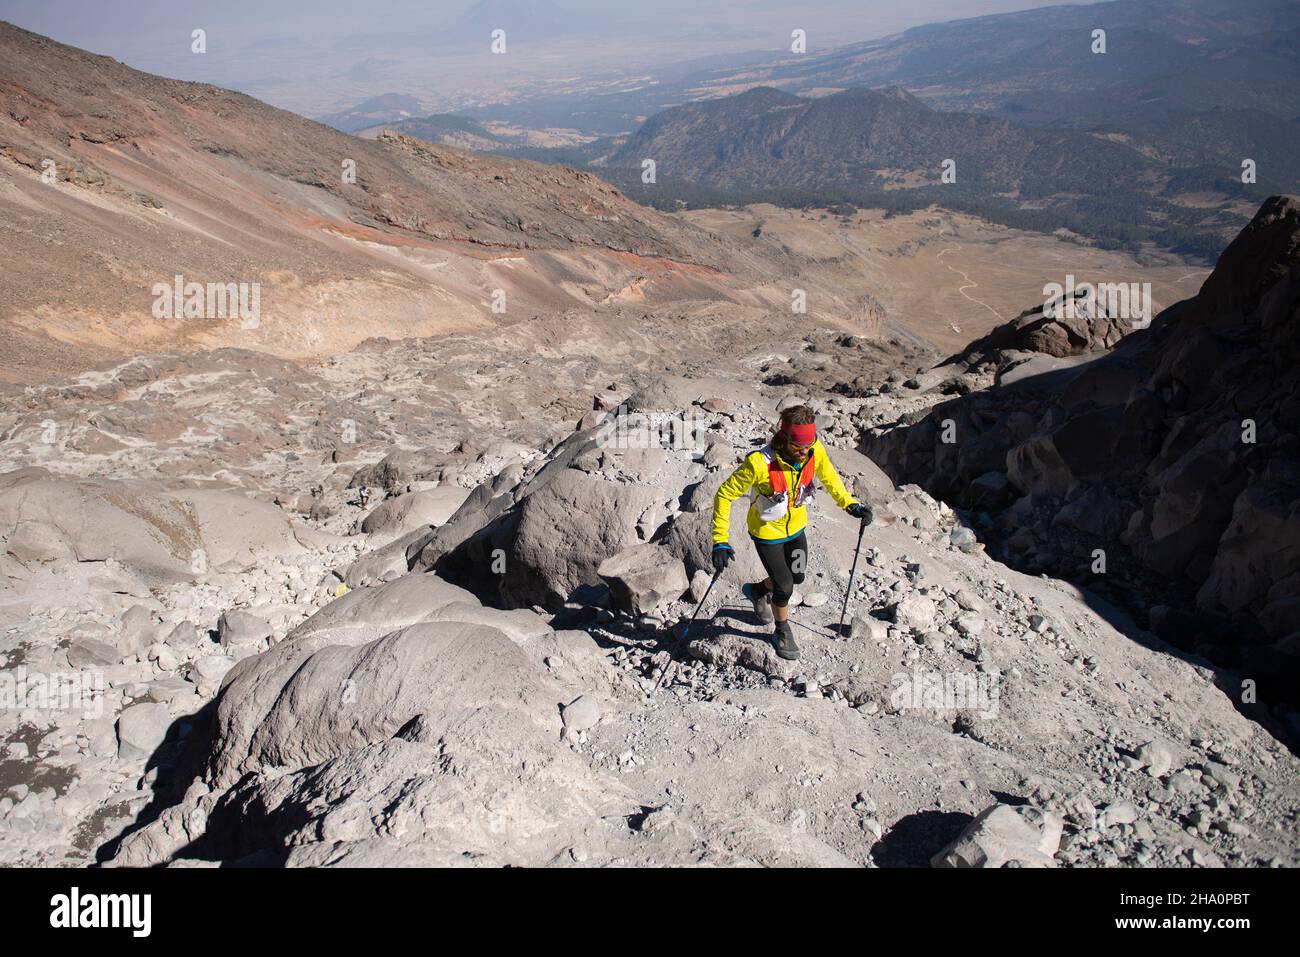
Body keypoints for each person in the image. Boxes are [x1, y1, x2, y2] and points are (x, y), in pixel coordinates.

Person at [710, 405, 870, 660]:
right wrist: (720, 540)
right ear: (783, 439)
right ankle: (781, 631)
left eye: (809, 446)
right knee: (785, 587)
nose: (805, 452)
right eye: (799, 447)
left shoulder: (813, 451)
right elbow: (724, 494)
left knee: (797, 576)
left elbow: (829, 476)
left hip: (796, 527)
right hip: (767, 532)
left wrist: (849, 503)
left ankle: (758, 591)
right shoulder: (759, 463)